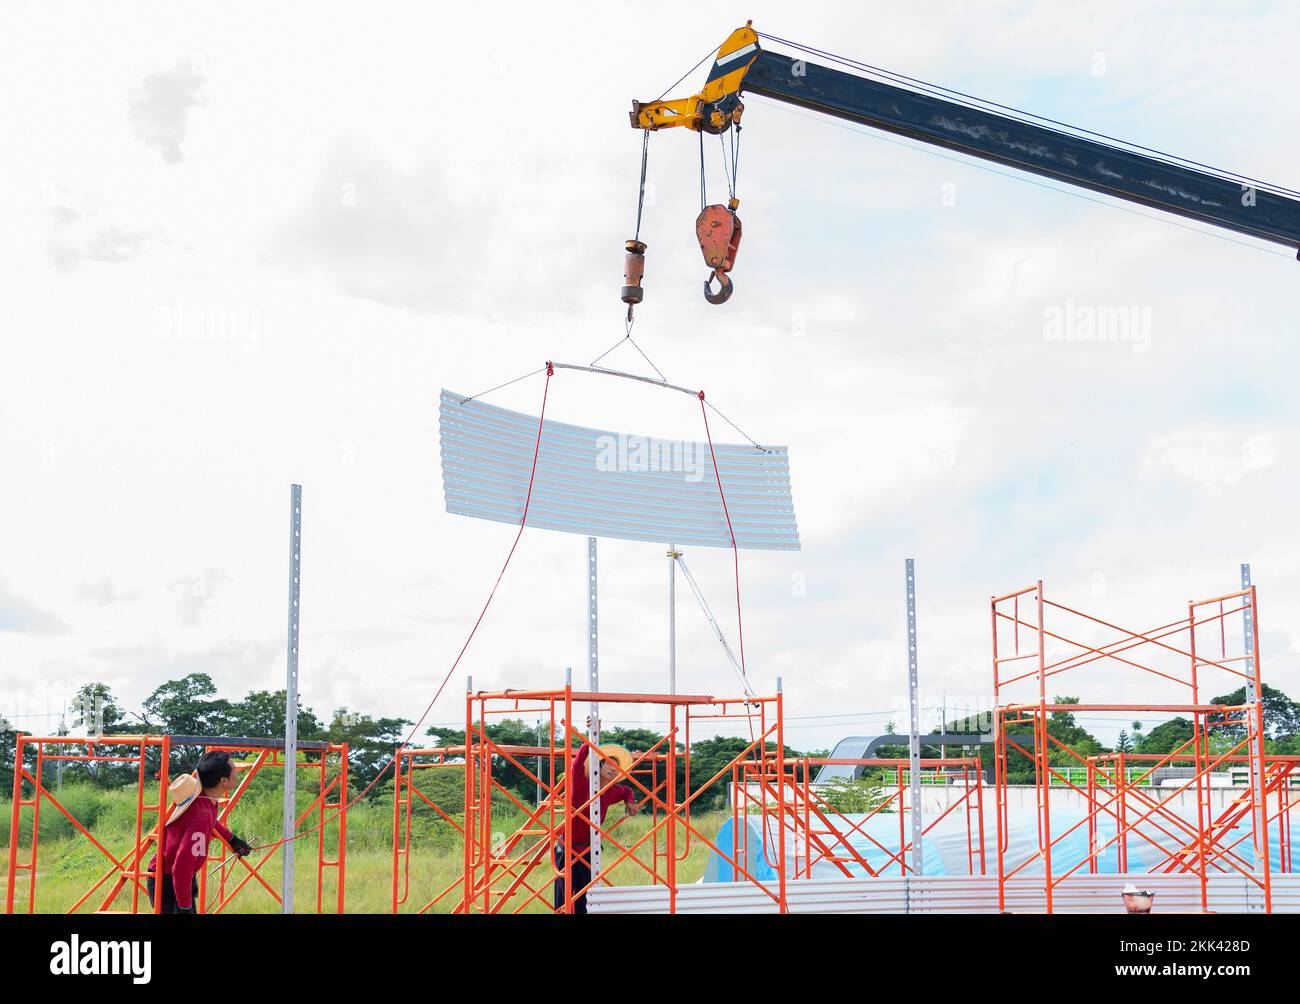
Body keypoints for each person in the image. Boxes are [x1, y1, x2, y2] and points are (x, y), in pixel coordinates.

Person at [147, 750, 253, 914]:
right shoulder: (201, 815)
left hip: (176, 877)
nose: (236, 773)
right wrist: (184, 907)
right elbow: (181, 867)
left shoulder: (204, 801)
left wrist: (232, 839)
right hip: (169, 880)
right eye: (233, 769)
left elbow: (211, 823)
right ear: (223, 781)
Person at [554, 741, 636, 914]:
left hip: (590, 849)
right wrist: (589, 740)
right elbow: (577, 765)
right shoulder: (582, 782)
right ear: (600, 763)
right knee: (564, 898)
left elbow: (627, 790)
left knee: (585, 897)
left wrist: (630, 803)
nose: (614, 768)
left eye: (617, 766)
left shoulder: (612, 791)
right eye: (610, 763)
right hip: (568, 847)